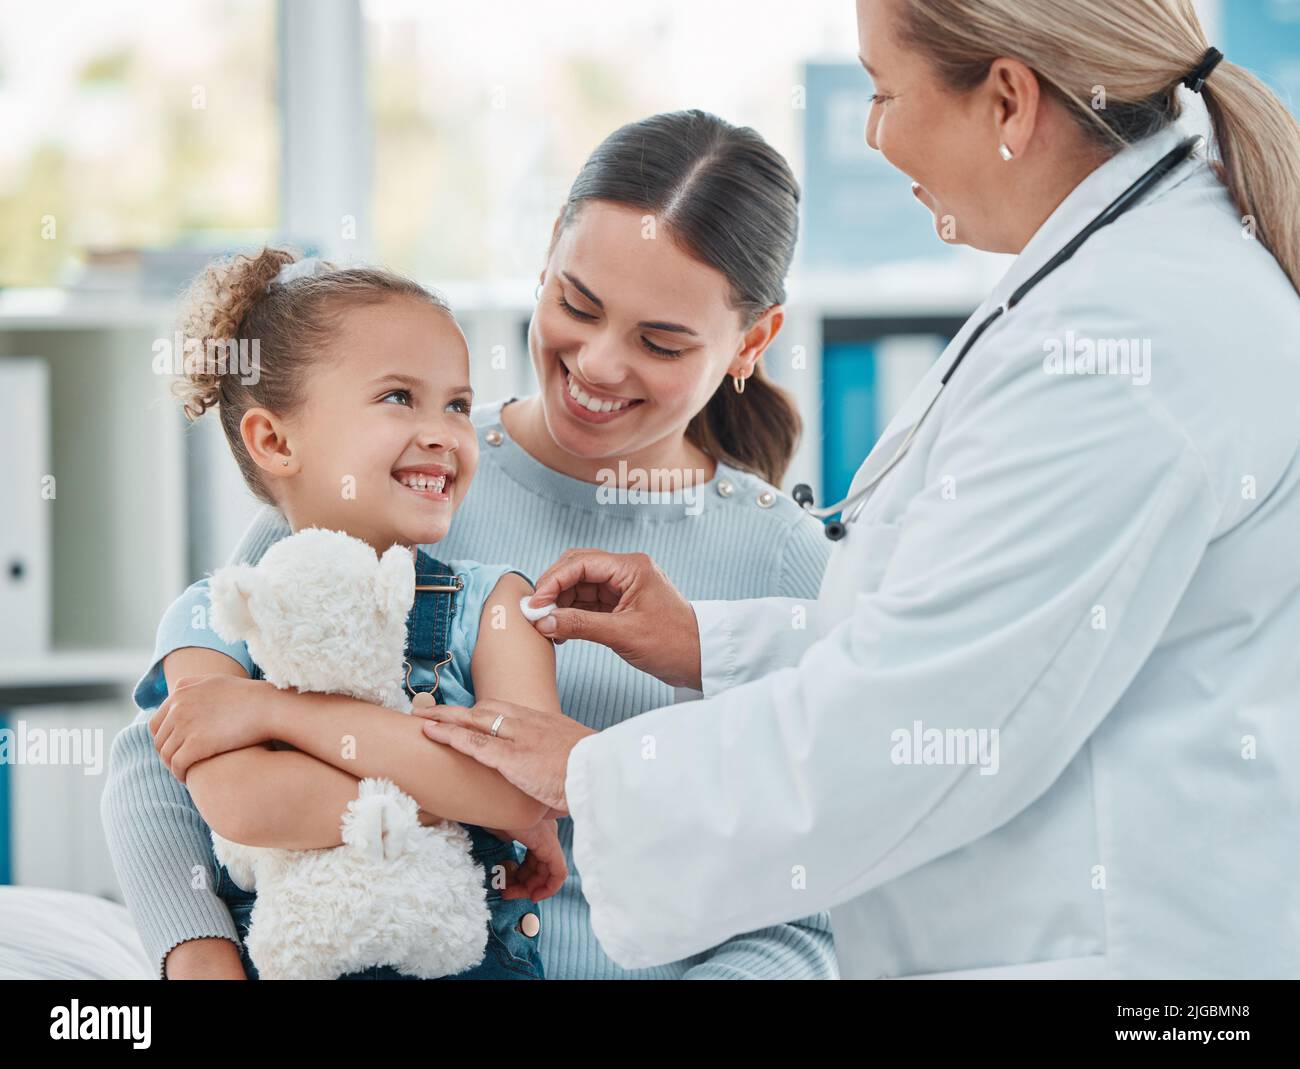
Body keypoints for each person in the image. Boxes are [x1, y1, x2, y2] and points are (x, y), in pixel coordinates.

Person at [418, 0, 1300, 979]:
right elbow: (977, 642)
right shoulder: (1122, 287)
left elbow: (910, 725)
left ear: (1008, 100)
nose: (872, 133)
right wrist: (708, 642)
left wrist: (589, 772)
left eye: (882, 92)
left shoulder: (1122, 349)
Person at [103, 111, 839, 980]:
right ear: (543, 264)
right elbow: (163, 756)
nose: (599, 364)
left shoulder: (782, 561)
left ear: (751, 342)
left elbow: (799, 909)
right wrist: (200, 957)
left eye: (660, 341)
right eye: (577, 304)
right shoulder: (386, 482)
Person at [106, 249, 561, 979]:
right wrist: (453, 802)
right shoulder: (214, 618)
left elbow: (520, 788)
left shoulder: (500, 603)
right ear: (276, 441)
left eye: (455, 402)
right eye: (398, 397)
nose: (445, 430)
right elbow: (244, 804)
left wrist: (274, 715)